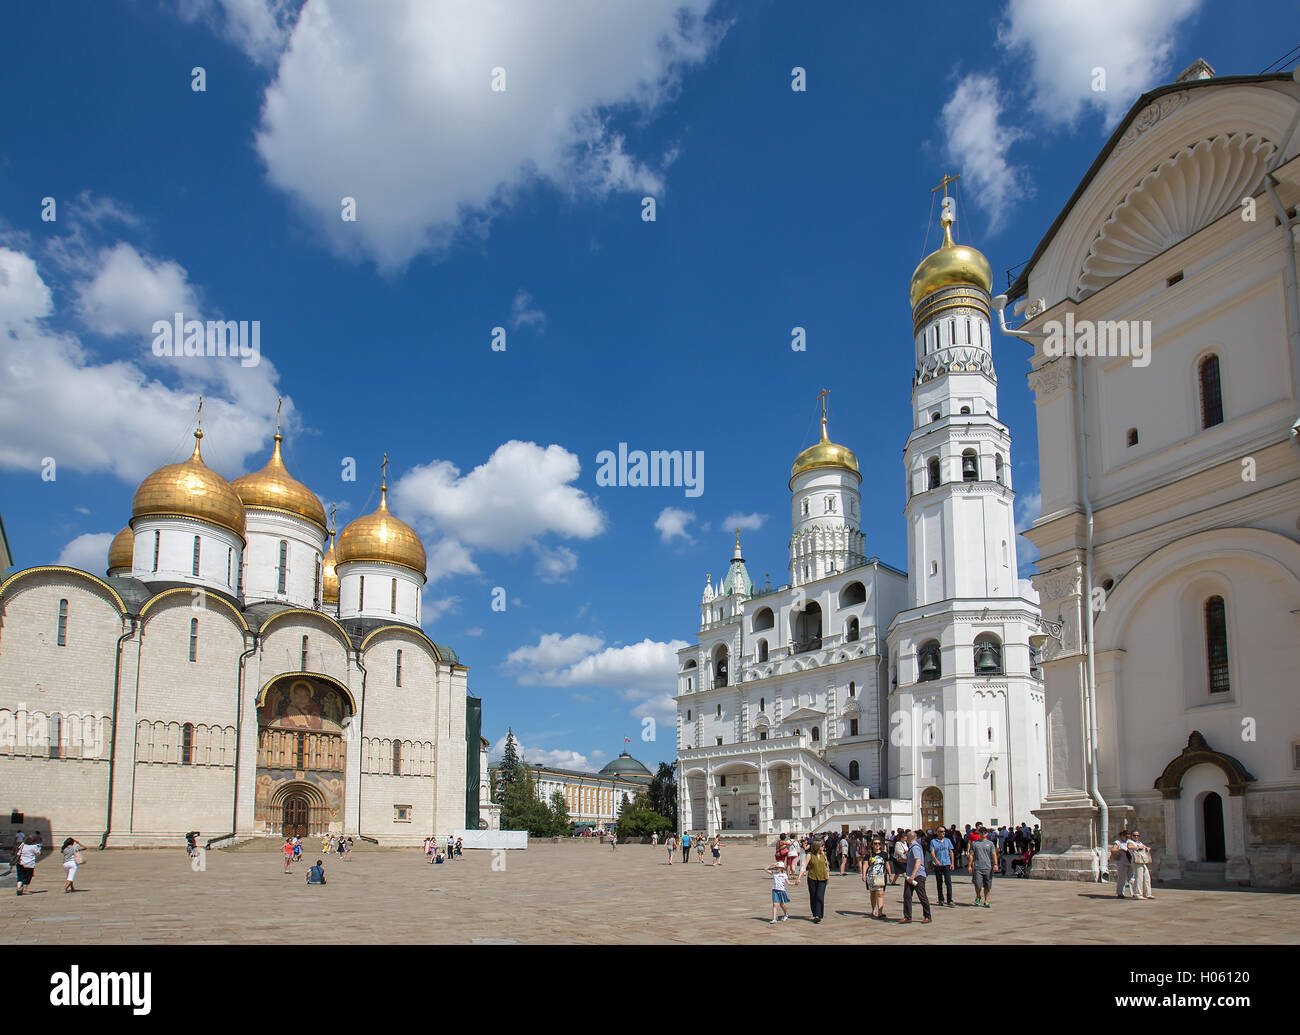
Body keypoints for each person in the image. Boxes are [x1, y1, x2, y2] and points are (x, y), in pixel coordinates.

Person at [900, 830, 932, 924]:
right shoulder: (912, 847)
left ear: (909, 839)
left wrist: (913, 875)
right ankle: (907, 916)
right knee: (907, 896)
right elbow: (912, 861)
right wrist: (902, 860)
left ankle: (927, 916)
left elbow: (918, 861)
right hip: (910, 875)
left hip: (917, 876)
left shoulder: (915, 848)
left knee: (922, 896)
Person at [802, 839, 830, 923]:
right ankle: (815, 913)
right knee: (813, 896)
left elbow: (826, 866)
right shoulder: (810, 855)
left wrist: (828, 876)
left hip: (823, 878)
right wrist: (800, 876)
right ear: (817, 846)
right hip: (812, 877)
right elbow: (804, 865)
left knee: (819, 896)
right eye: (822, 846)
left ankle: (818, 915)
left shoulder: (824, 854)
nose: (823, 847)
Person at [968, 830, 997, 907]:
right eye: (981, 832)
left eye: (985, 832)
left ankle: (986, 900)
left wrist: (995, 864)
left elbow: (993, 854)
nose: (983, 834)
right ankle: (978, 896)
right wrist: (970, 865)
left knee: (987, 885)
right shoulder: (975, 843)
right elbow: (971, 854)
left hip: (987, 867)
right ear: (979, 833)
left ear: (986, 834)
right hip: (978, 867)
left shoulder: (990, 843)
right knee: (978, 884)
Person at [863, 837, 889, 919]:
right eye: (875, 843)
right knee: (873, 893)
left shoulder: (884, 854)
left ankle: (880, 912)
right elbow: (865, 865)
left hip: (881, 875)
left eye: (879, 843)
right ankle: (873, 910)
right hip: (871, 875)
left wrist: (890, 874)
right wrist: (863, 874)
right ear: (872, 845)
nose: (877, 845)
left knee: (880, 893)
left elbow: (887, 864)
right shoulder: (869, 854)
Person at [929, 826, 955, 906]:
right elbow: (932, 852)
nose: (943, 833)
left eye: (944, 831)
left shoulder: (947, 841)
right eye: (940, 831)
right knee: (939, 882)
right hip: (938, 864)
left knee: (948, 882)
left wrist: (952, 863)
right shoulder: (933, 841)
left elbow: (951, 852)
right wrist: (936, 860)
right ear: (937, 833)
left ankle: (949, 899)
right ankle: (941, 899)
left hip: (946, 863)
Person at [1128, 831, 1154, 900]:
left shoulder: (1139, 843)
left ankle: (1148, 893)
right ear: (1131, 836)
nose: (1136, 837)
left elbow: (1145, 847)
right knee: (1139, 877)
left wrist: (1147, 848)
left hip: (1142, 861)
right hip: (1136, 861)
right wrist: (1137, 847)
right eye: (1134, 835)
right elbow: (1129, 847)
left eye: (1137, 835)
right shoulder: (1130, 842)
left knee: (1146, 877)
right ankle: (1138, 894)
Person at [1112, 829, 1133, 899]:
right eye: (1125, 835)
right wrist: (1120, 850)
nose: (1126, 837)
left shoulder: (1130, 841)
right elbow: (1113, 850)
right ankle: (1120, 893)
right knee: (1122, 878)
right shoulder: (1118, 842)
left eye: (1127, 835)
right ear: (1121, 835)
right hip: (1122, 862)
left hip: (1130, 861)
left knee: (1132, 878)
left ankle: (1133, 893)